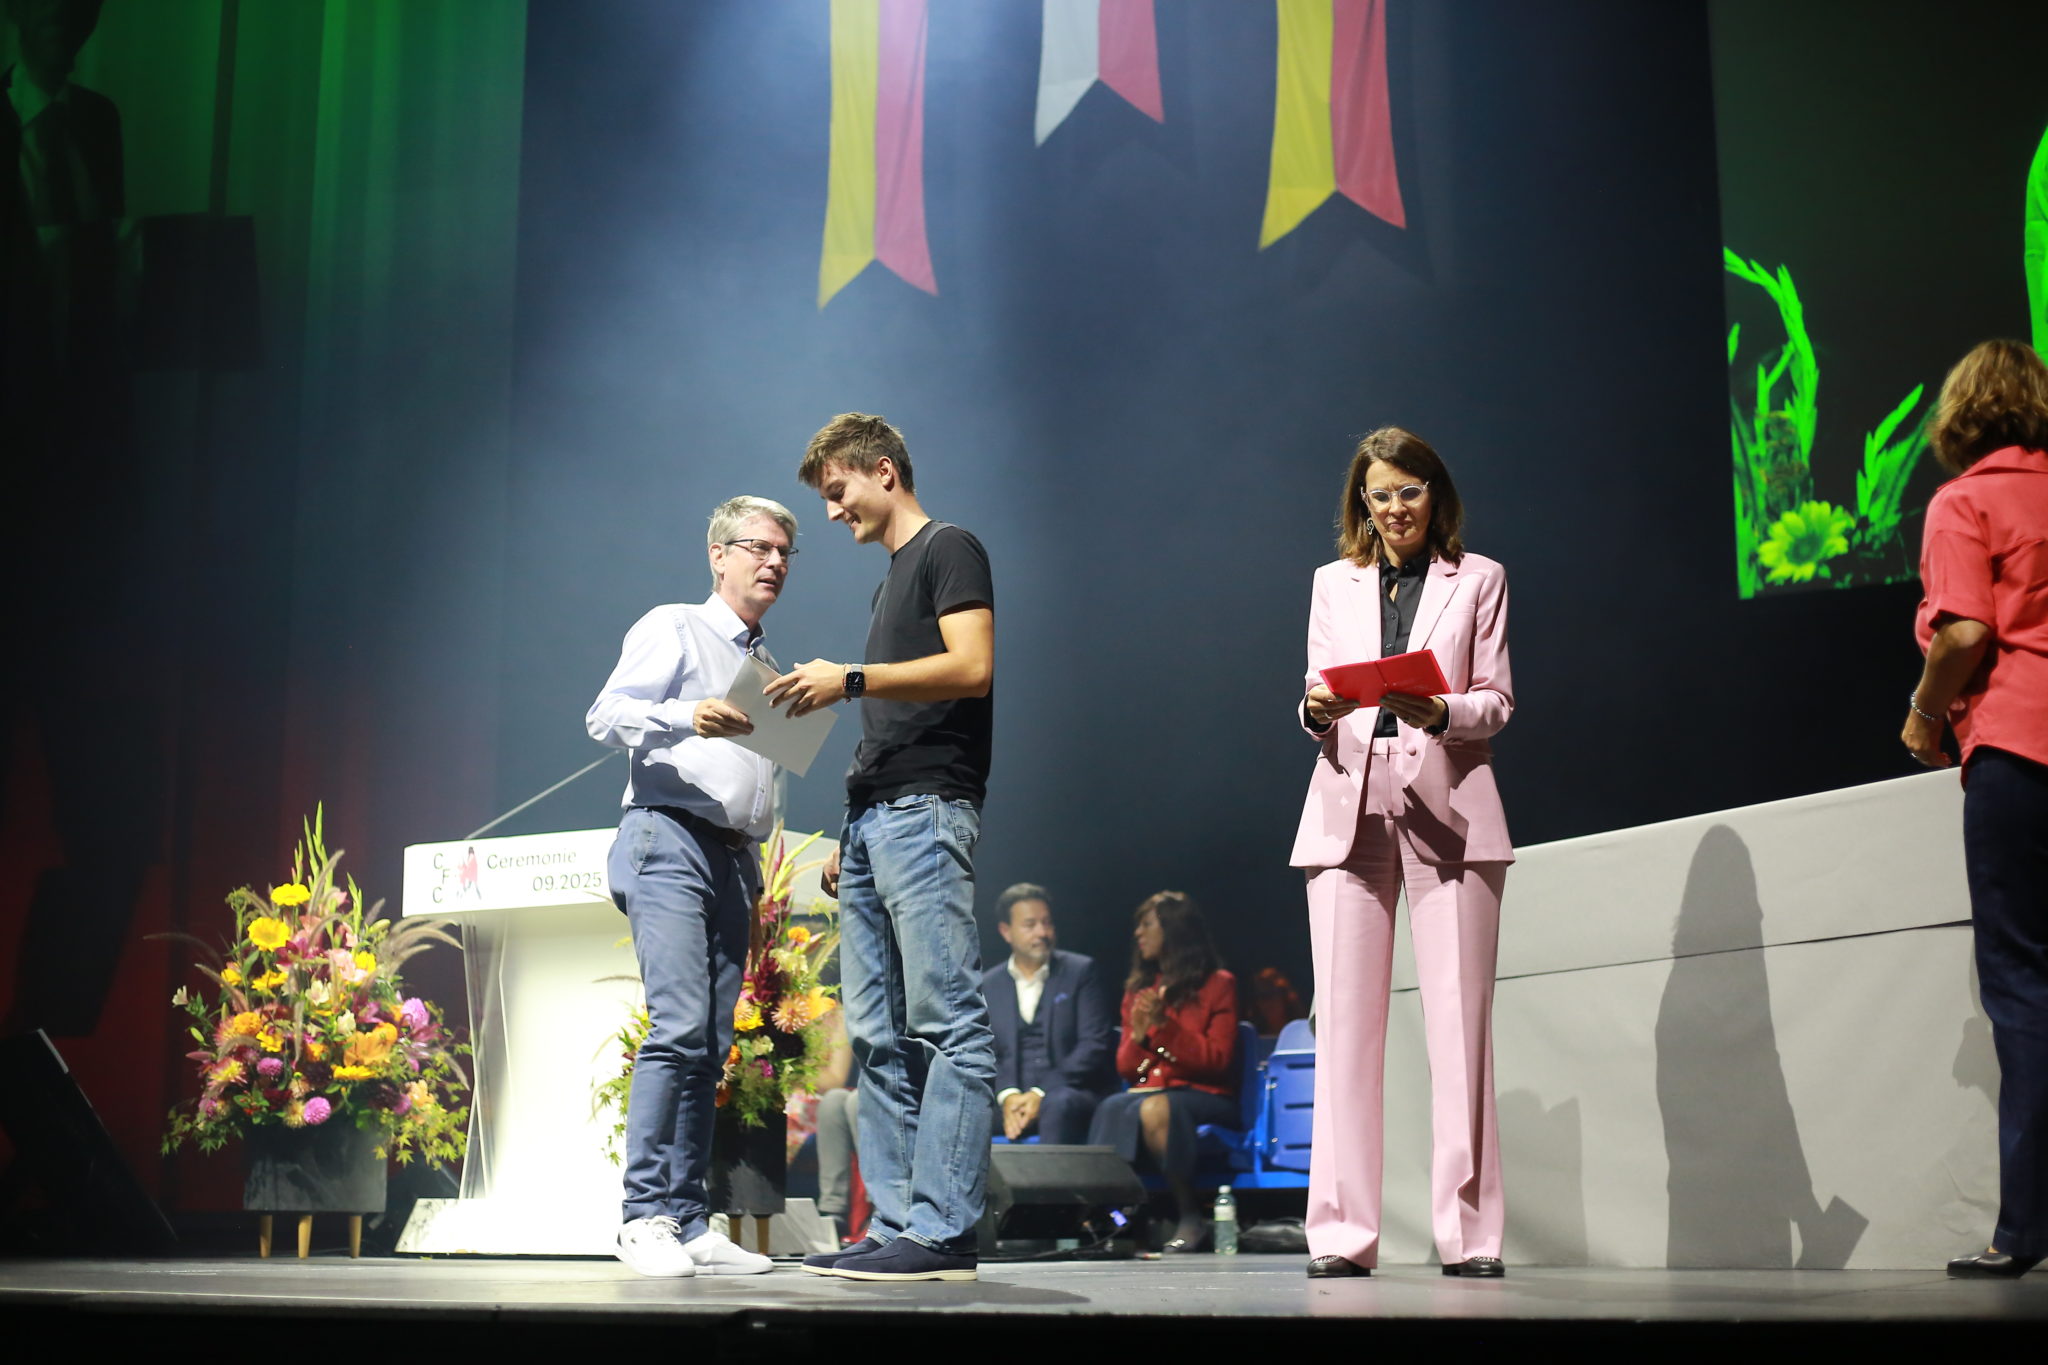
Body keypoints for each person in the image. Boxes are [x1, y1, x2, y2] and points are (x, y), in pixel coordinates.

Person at [771, 412, 998, 1283]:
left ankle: (943, 1230)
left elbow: (972, 666)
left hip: (928, 811)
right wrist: (850, 829)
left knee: (946, 1022)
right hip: (875, 822)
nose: (833, 513)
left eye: (839, 492)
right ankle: (898, 1222)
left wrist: (850, 678)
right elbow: (890, 723)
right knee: (875, 1035)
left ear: (883, 471)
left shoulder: (950, 548)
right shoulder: (888, 583)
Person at [1291, 426, 1514, 1280]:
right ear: (1363, 502)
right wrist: (1314, 710)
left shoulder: (1479, 577)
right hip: (1347, 800)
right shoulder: (1333, 582)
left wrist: (1443, 710)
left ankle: (1471, 1235)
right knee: (1345, 1032)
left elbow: (1496, 700)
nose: (1394, 509)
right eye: (1379, 495)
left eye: (1409, 492)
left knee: (1460, 1030)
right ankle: (1341, 1234)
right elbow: (1315, 689)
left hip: (1448, 801)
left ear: (1435, 496)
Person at [585, 495, 803, 1278]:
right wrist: (686, 715)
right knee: (679, 1025)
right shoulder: (675, 625)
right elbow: (605, 715)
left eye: (785, 552)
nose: (774, 561)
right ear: (718, 554)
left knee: (711, 1044)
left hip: (733, 856)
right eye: (759, 547)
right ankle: (642, 1215)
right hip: (670, 836)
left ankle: (685, 1216)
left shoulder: (767, 665)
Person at [1898, 340, 2048, 1279]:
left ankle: (2024, 1228)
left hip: (2021, 755)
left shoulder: (1964, 501)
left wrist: (1923, 712)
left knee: (2024, 985)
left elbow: (1964, 630)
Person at [1086, 891, 1239, 1252]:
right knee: (1111, 1106)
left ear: (1174, 930)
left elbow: (1217, 1062)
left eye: (1147, 924)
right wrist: (1140, 1037)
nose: (1138, 933)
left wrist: (1165, 1029)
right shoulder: (1139, 991)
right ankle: (1109, 1216)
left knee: (1155, 1108)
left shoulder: (1218, 984)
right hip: (1151, 1094)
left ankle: (1189, 1214)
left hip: (1205, 1095)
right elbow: (1129, 1070)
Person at [983, 882, 1117, 1143]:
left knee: (1057, 1105)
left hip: (1070, 1091)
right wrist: (1008, 1096)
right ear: (1006, 931)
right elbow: (986, 1051)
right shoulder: (989, 984)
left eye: (1047, 923)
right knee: (963, 1111)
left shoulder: (1081, 972)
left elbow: (1093, 1045)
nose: (1042, 932)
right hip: (1012, 1098)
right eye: (1030, 925)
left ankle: (1049, 1174)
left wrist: (1040, 1092)